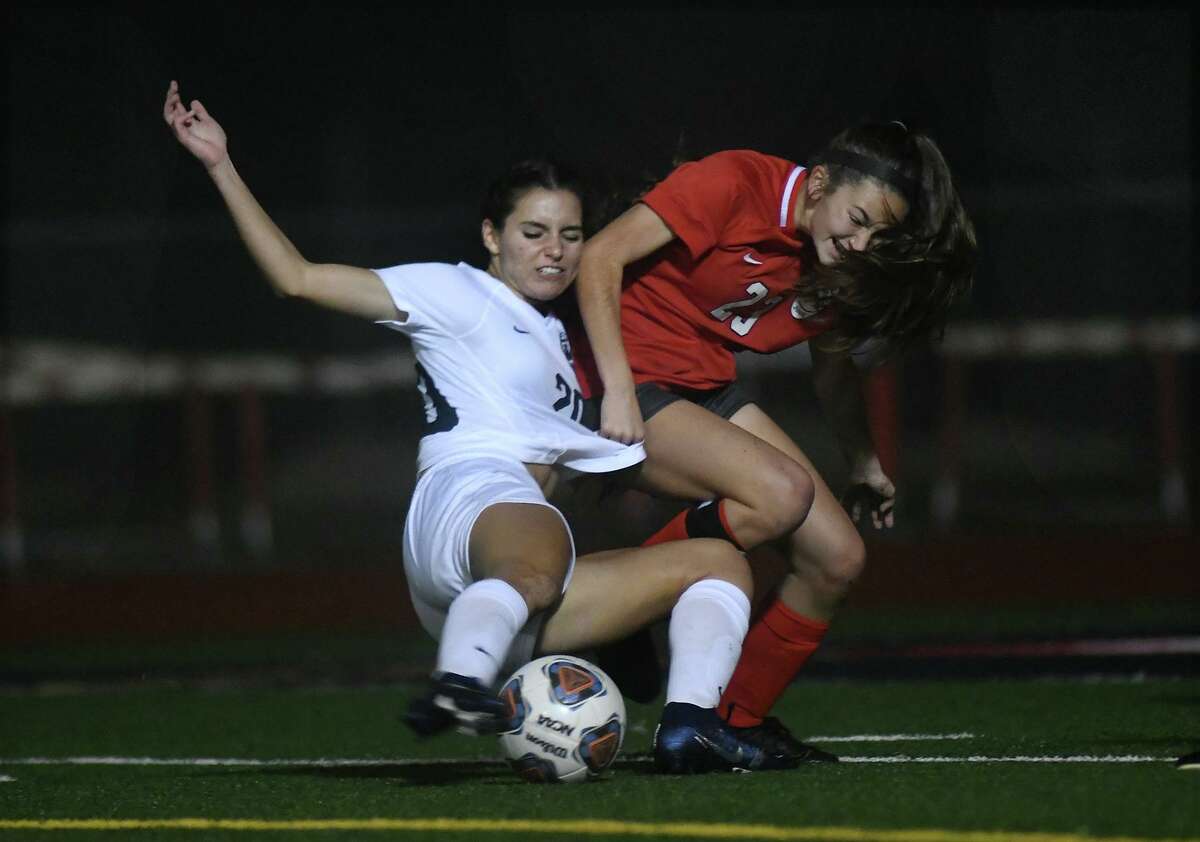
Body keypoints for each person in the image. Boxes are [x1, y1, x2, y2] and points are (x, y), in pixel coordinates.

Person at [162, 80, 795, 774]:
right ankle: (459, 683)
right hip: (470, 506)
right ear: (492, 236)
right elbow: (297, 277)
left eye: (571, 234)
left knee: (720, 565)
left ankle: (689, 723)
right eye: (533, 232)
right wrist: (220, 163)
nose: (554, 250)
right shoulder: (455, 291)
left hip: (504, 597)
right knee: (541, 548)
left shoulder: (562, 337)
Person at [575, 122, 977, 760]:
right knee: (780, 494)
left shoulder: (834, 255)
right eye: (859, 218)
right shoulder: (733, 181)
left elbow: (833, 366)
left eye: (879, 234)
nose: (863, 242)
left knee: (838, 555)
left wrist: (864, 462)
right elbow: (599, 256)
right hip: (619, 382)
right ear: (818, 184)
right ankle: (622, 612)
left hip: (701, 389)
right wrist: (618, 389)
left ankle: (731, 718)